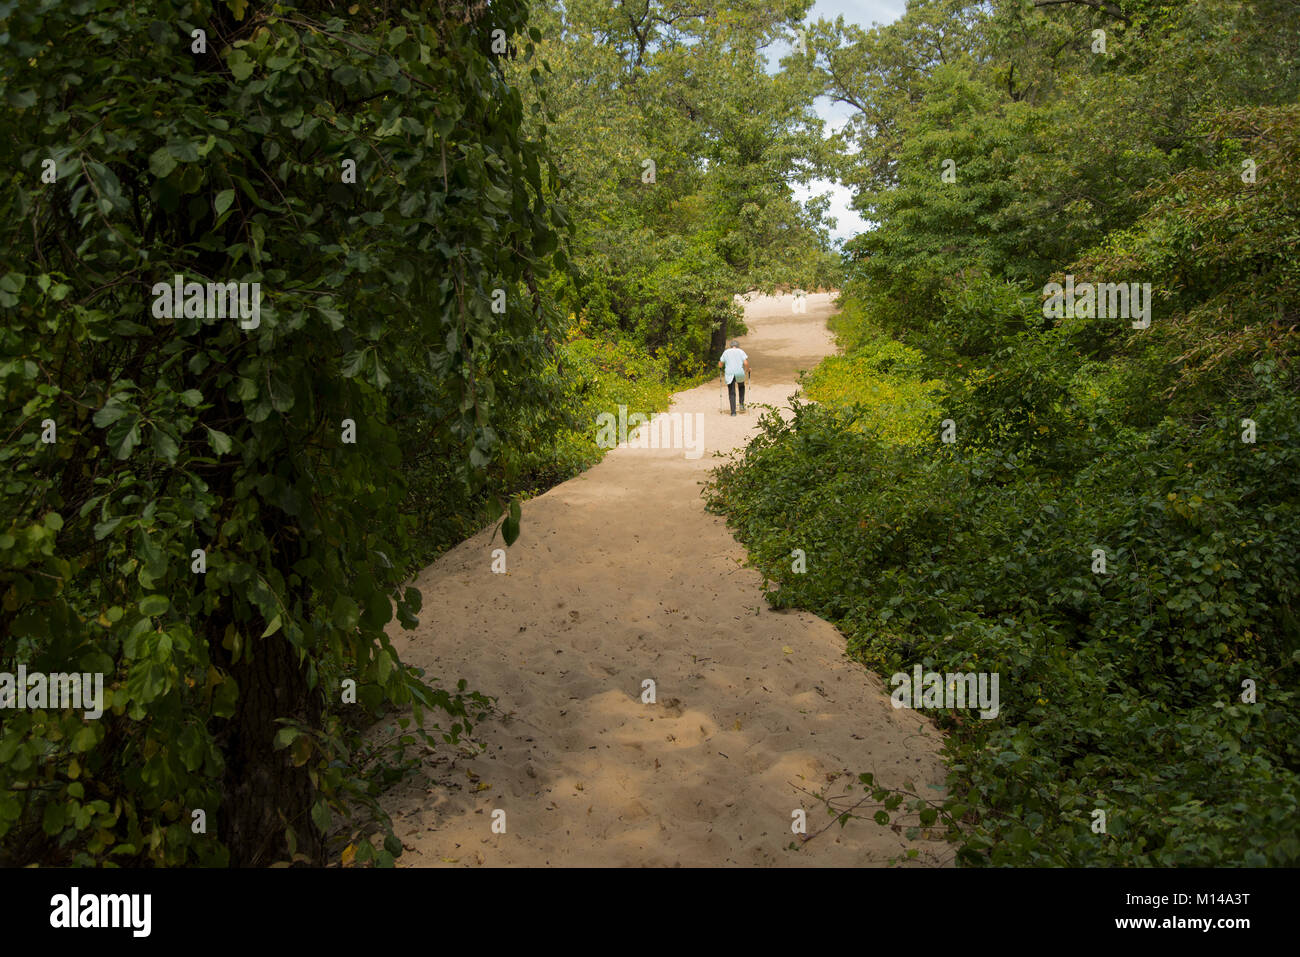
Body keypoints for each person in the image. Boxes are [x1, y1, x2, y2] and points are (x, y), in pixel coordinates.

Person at [718, 339, 750, 416]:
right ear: (738, 346)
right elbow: (745, 362)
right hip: (739, 372)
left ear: (731, 346)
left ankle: (733, 412)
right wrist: (748, 369)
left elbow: (720, 363)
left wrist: (720, 367)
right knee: (741, 387)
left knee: (732, 392)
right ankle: (741, 404)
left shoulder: (726, 352)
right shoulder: (741, 351)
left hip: (729, 373)